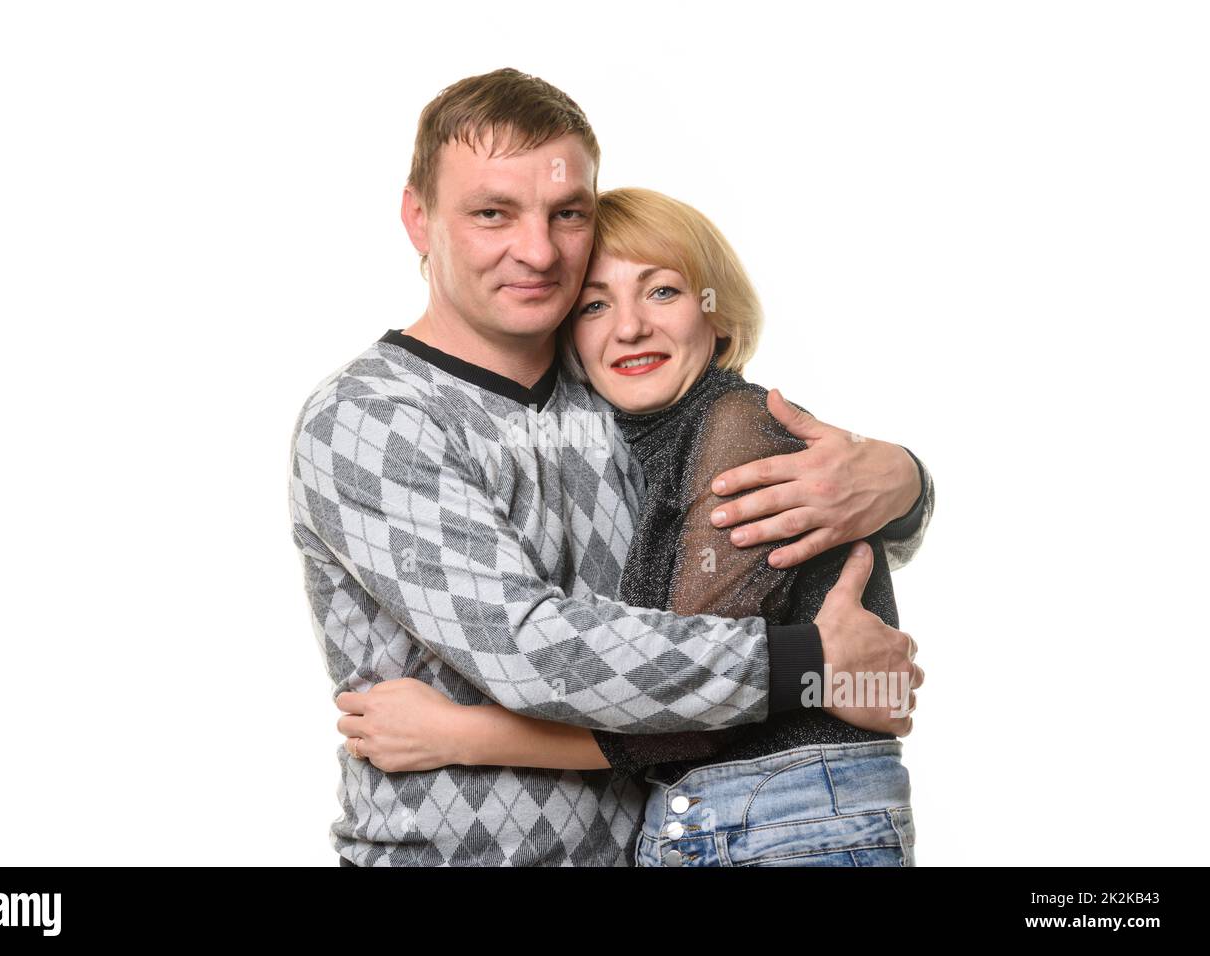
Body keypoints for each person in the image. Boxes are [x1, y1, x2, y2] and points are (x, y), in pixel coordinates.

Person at [288, 67, 933, 867]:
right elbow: (530, 648)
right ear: (418, 219)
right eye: (493, 213)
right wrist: (811, 667)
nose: (535, 250)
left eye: (567, 215)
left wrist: (903, 482)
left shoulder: (619, 396)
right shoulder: (373, 417)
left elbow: (782, 544)